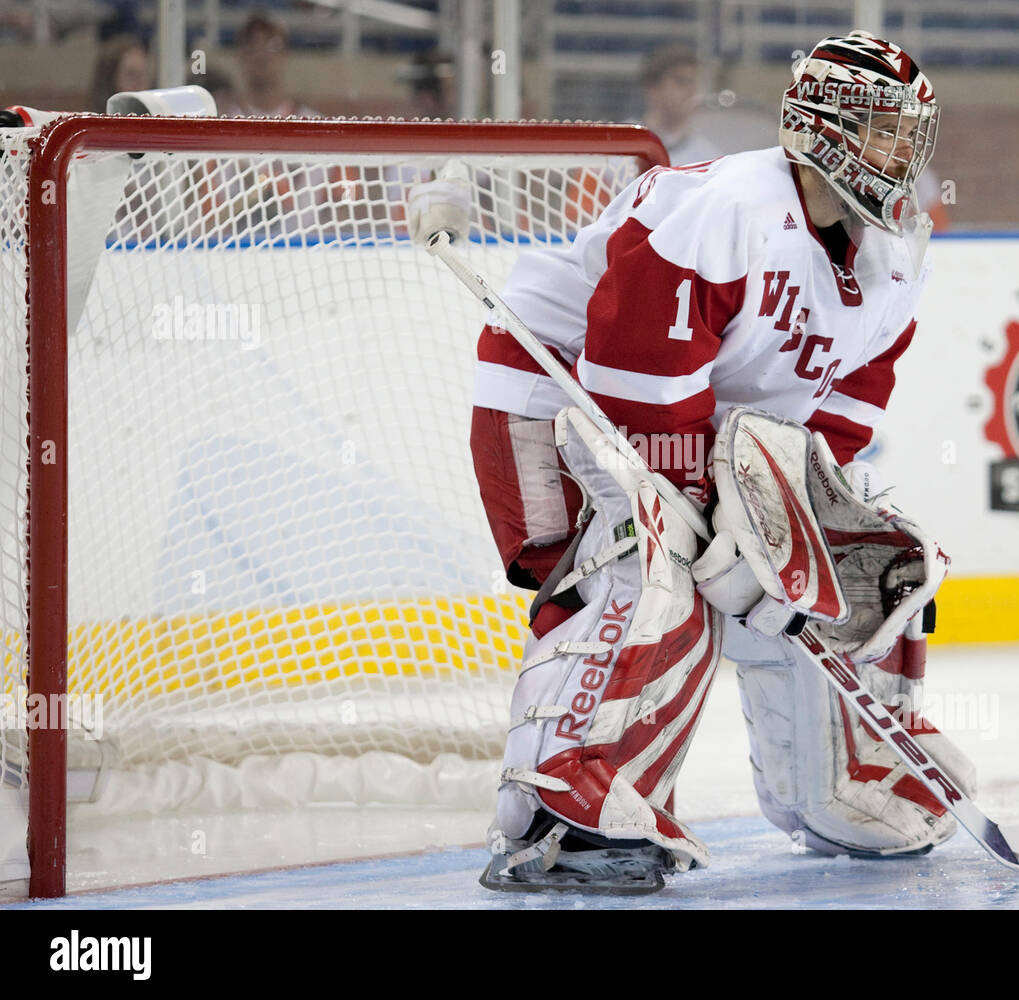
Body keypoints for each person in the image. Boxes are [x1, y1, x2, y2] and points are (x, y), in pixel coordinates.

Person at [409, 30, 974, 893]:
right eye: (881, 129)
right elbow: (636, 398)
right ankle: (568, 810)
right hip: (557, 394)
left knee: (856, 561)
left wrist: (790, 538)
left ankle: (844, 785)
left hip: (693, 418)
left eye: (908, 134)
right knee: (647, 560)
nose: (901, 154)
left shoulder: (896, 259)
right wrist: (715, 525)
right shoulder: (733, 208)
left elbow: (832, 431)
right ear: (821, 125)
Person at [636, 44, 719, 165]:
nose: (692, 90)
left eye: (694, 82)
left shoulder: (709, 159)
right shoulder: (619, 148)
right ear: (652, 88)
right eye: (681, 81)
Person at [228, 9, 317, 118]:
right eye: (251, 45)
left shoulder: (309, 121)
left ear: (286, 54)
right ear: (239, 55)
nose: (261, 53)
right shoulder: (221, 121)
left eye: (272, 45)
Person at [88, 33, 152, 112]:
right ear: (110, 79)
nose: (141, 82)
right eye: (131, 75)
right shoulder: (91, 122)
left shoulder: (158, 119)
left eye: (144, 74)